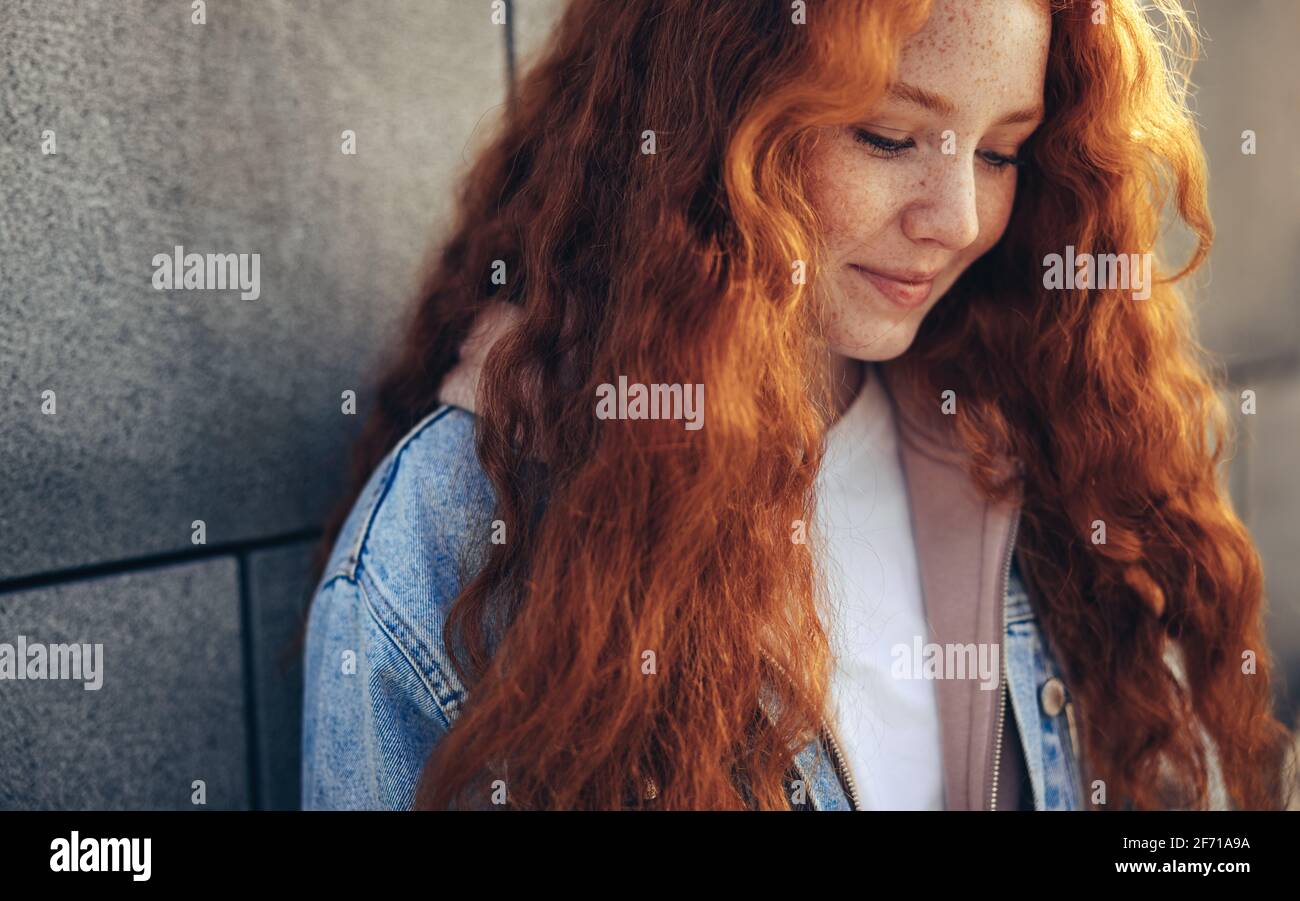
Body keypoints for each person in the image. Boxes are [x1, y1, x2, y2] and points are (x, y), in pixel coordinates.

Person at [299, 0, 1293, 810]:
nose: (954, 219)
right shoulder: (457, 525)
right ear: (710, 122)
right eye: (888, 135)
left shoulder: (1038, 437)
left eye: (999, 154)